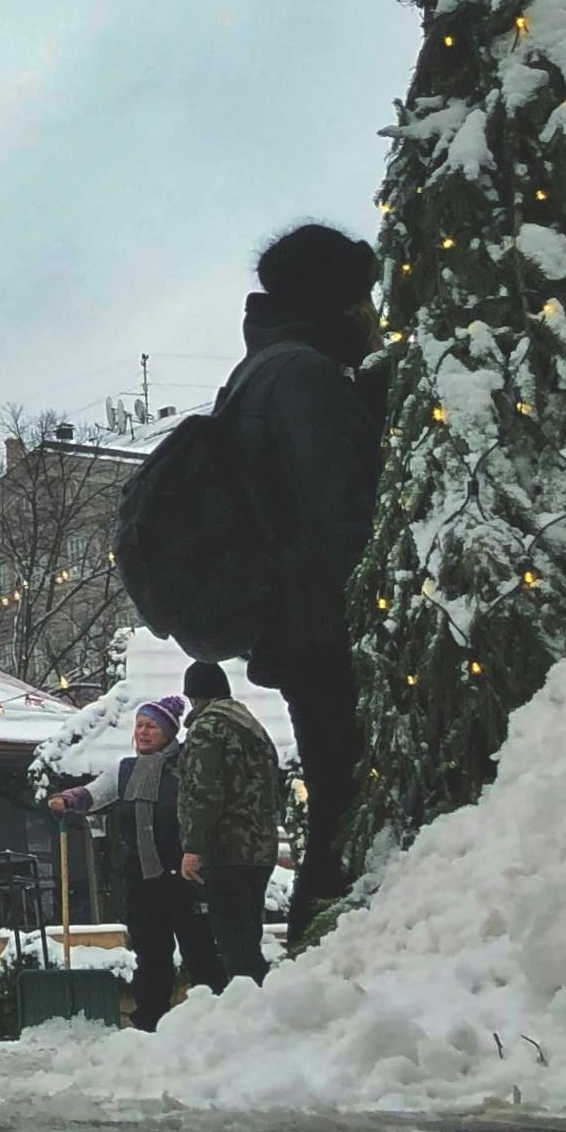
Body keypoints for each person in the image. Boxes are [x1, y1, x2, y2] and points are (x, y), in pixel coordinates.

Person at [222, 221, 382, 937]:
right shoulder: (305, 377)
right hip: (327, 626)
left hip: (292, 624)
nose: (375, 314)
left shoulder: (261, 370)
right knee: (347, 799)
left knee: (334, 789)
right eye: (365, 298)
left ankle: (327, 952)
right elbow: (340, 514)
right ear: (340, 302)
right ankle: (330, 944)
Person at [48, 696, 222, 1030]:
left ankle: (212, 1015)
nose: (143, 732)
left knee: (198, 948)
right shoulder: (126, 769)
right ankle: (151, 1020)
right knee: (150, 952)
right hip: (142, 877)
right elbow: (94, 793)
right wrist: (68, 800)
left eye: (151, 726)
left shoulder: (186, 766)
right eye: (140, 725)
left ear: (169, 732)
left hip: (185, 875)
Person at [174, 657, 282, 986]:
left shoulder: (207, 728)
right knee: (249, 934)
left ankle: (253, 1010)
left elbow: (204, 791)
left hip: (225, 850)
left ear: (194, 697)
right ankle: (261, 1002)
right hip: (261, 849)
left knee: (235, 945)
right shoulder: (255, 728)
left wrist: (193, 847)